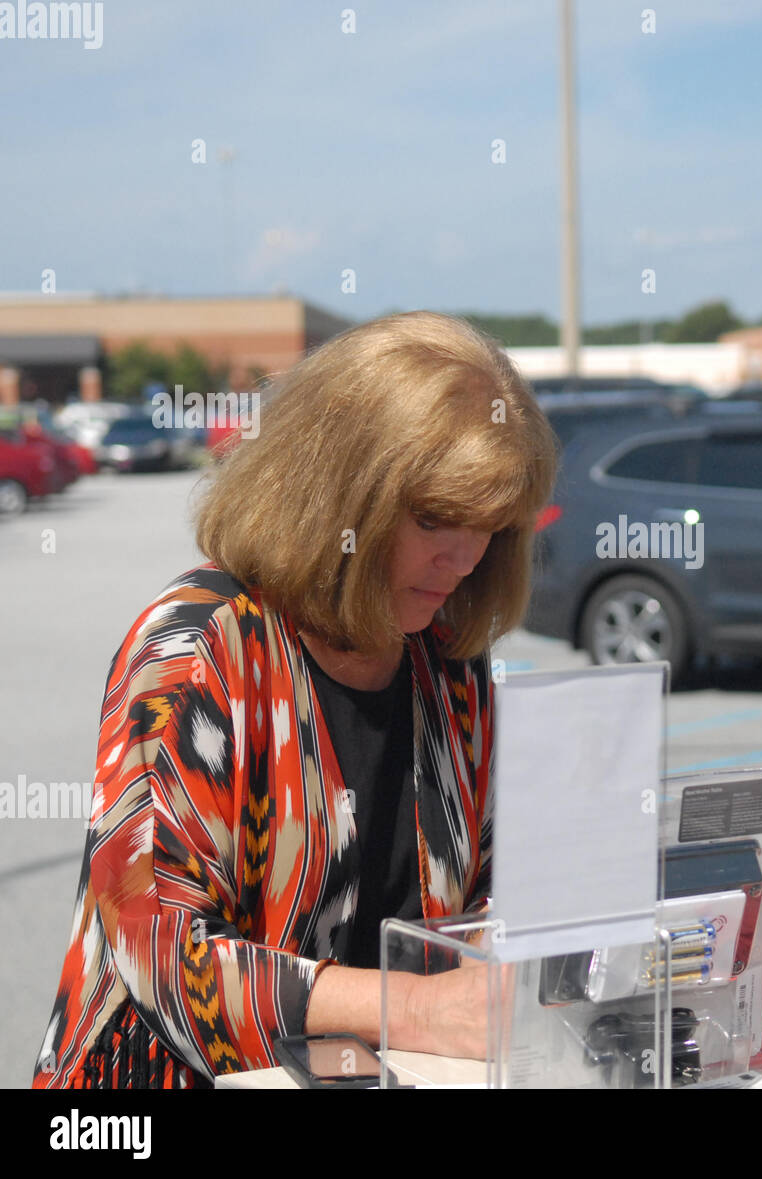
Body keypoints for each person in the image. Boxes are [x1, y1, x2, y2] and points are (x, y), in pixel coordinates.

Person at [33, 312, 557, 1087]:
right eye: (436, 517)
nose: (465, 556)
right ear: (339, 493)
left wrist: (742, 840)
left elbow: (492, 892)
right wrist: (409, 1007)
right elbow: (159, 950)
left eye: (492, 525)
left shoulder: (445, 655)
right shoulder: (198, 647)